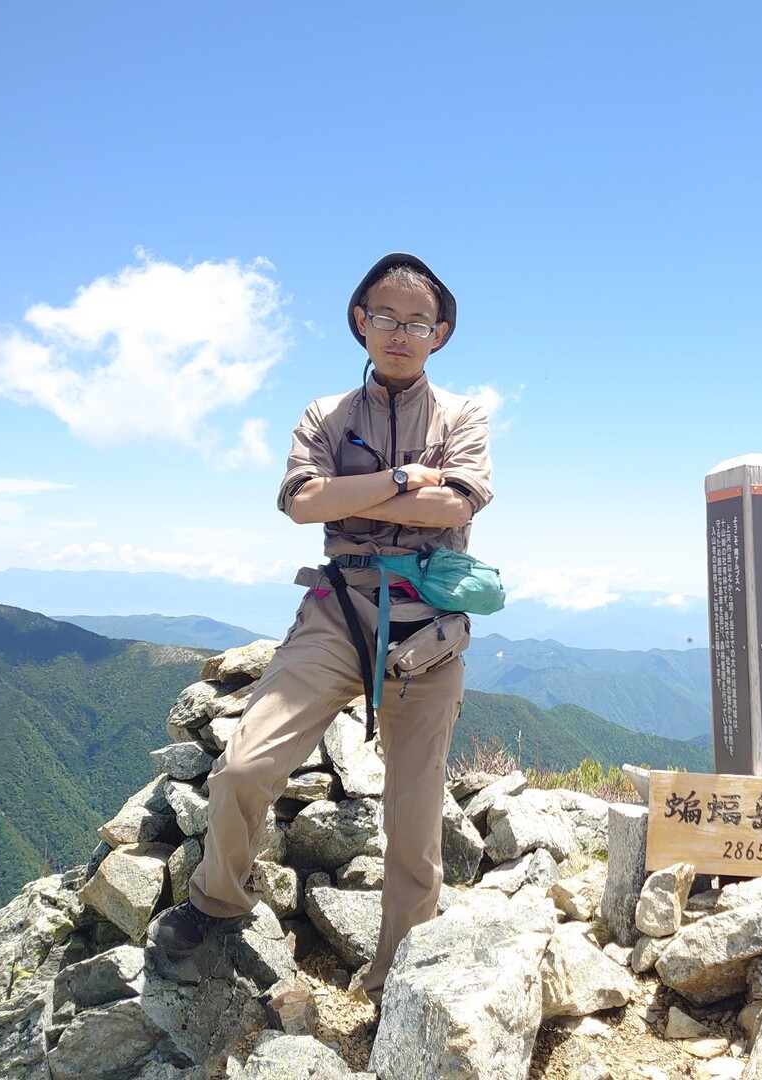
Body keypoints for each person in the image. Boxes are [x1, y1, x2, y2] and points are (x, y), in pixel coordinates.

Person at [149, 253, 492, 1002]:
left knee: (414, 817)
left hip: (427, 626)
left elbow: (456, 508)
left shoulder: (462, 416)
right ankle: (219, 900)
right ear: (360, 323)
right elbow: (301, 504)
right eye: (385, 317)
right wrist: (406, 480)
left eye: (418, 321)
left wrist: (352, 499)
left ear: (441, 334)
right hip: (338, 609)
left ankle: (395, 976)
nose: (401, 332)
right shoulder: (325, 415)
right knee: (243, 765)